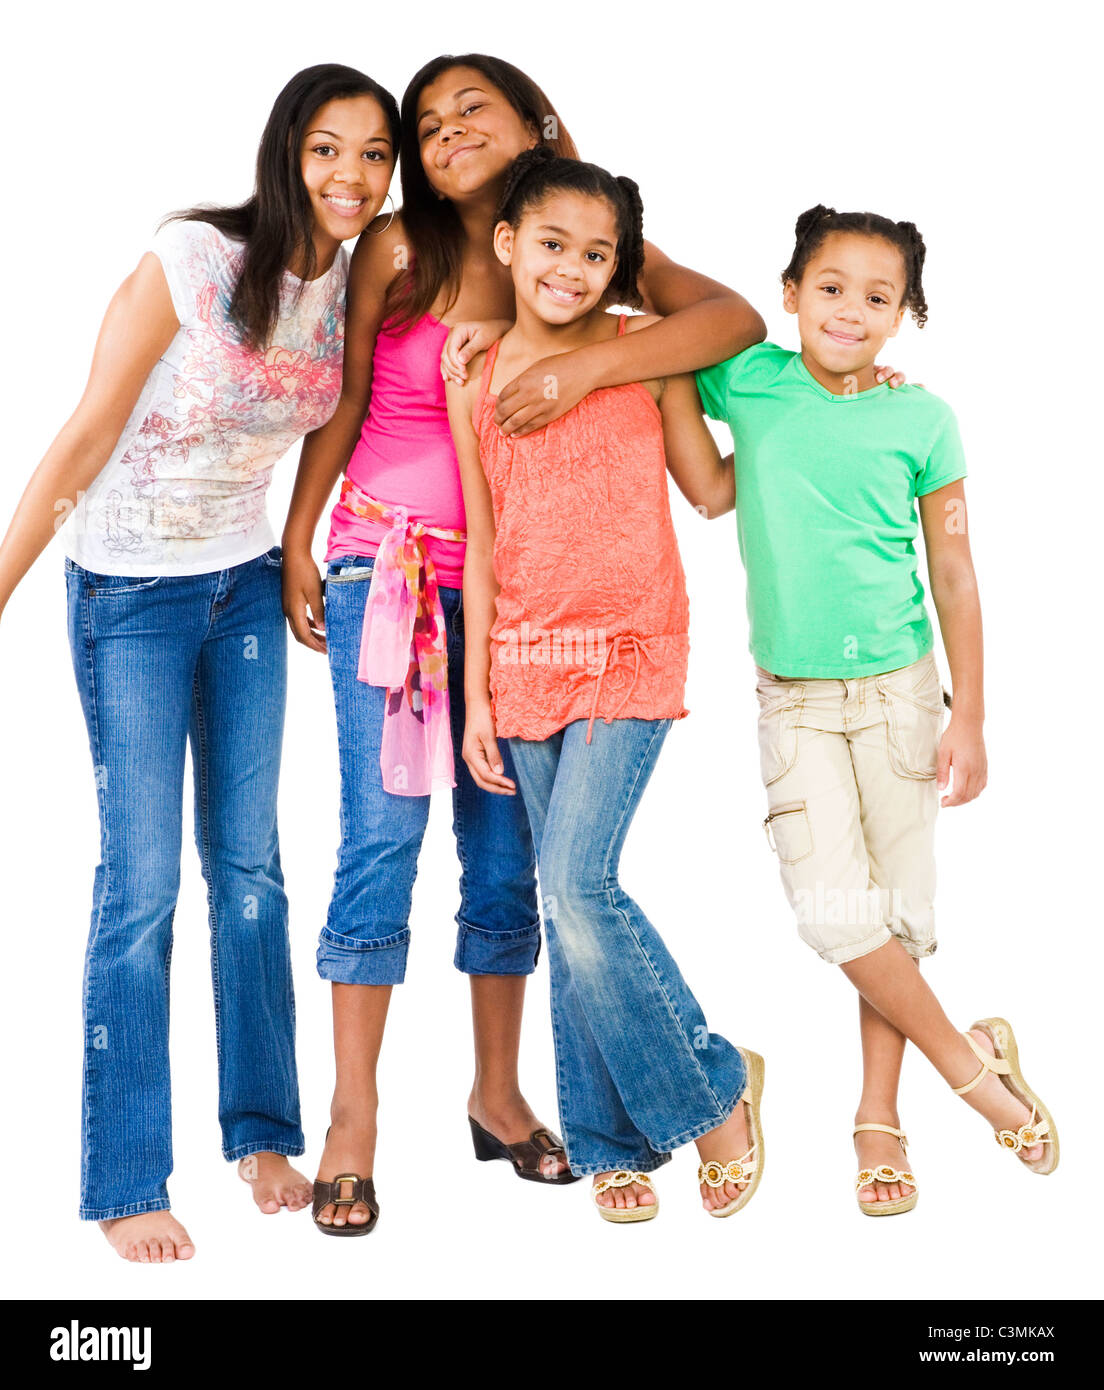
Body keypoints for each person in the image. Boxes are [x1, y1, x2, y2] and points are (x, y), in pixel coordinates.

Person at [280, 53, 772, 1233]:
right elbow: (346, 399)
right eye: (428, 121)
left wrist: (604, 360)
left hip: (536, 612)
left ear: (537, 126)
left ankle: (500, 1097)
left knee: (514, 864)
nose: (445, 132)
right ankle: (354, 1121)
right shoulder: (400, 248)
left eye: (474, 112)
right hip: (391, 569)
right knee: (383, 837)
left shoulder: (588, 233)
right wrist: (298, 535)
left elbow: (732, 323)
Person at [0, 64, 400, 1261]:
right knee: (143, 885)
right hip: (128, 585)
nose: (352, 176)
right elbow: (85, 426)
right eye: (330, 150)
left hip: (236, 590)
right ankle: (126, 1175)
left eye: (374, 156)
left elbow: (338, 410)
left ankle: (262, 1130)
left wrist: (291, 547)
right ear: (288, 152)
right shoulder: (194, 257)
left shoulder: (351, 276)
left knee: (251, 868)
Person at [695, 204, 1059, 1215]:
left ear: (906, 313)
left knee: (894, 917)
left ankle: (878, 1118)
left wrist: (971, 714)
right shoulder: (751, 379)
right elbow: (661, 311)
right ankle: (975, 1070)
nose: (850, 310)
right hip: (797, 700)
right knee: (834, 915)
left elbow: (955, 569)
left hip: (902, 692)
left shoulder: (923, 418)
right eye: (830, 288)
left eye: (878, 296)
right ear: (790, 293)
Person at [448, 145, 766, 1224]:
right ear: (507, 244)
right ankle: (604, 1139)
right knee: (565, 901)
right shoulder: (474, 375)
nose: (572, 269)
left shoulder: (644, 350)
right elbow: (484, 540)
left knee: (582, 887)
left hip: (631, 644)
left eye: (597, 254)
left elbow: (711, 492)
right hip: (523, 660)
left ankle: (714, 1087)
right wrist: (480, 694)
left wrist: (826, 421)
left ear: (618, 267)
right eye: (552, 246)